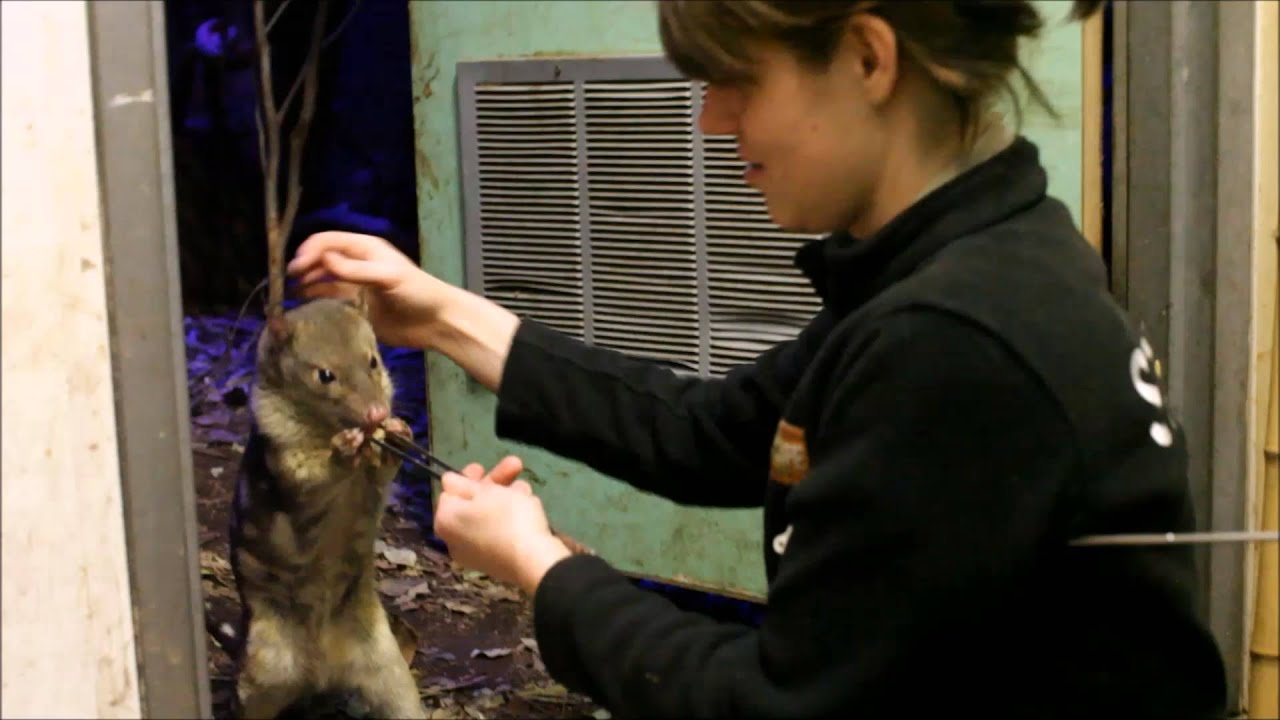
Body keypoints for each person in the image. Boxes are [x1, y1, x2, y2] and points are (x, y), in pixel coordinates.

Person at [286, 1, 1229, 716]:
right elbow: (714, 432)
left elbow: (779, 705)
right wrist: (445, 316)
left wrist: (543, 570)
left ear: (867, 57)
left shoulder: (957, 341)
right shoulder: (971, 261)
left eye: (737, 80)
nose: (709, 120)